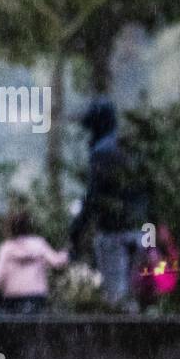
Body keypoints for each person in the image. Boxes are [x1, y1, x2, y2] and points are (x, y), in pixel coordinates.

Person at [69, 98, 148, 310]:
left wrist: (76, 232)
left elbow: (95, 196)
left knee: (117, 297)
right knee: (133, 296)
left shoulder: (101, 152)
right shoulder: (131, 149)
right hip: (138, 233)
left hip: (114, 235)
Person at [0, 209, 67, 314]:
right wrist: (66, 253)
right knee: (33, 328)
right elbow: (57, 262)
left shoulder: (6, 248)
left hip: (12, 296)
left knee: (14, 328)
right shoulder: (39, 244)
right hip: (36, 295)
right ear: (28, 226)